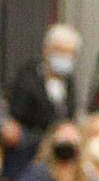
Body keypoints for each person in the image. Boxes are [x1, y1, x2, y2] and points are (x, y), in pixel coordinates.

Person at [7, 24, 81, 165]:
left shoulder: (69, 81)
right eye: (61, 51)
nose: (65, 58)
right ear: (47, 50)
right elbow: (16, 119)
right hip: (28, 149)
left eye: (70, 53)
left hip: (60, 153)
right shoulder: (27, 77)